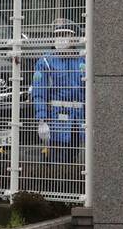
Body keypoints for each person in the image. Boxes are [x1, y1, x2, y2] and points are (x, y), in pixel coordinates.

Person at [31, 19, 86, 160]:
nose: (61, 38)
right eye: (58, 35)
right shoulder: (45, 61)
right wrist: (41, 120)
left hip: (77, 120)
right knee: (55, 160)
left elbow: (87, 91)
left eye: (65, 34)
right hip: (55, 120)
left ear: (73, 38)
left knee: (73, 158)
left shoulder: (82, 60)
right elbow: (39, 92)